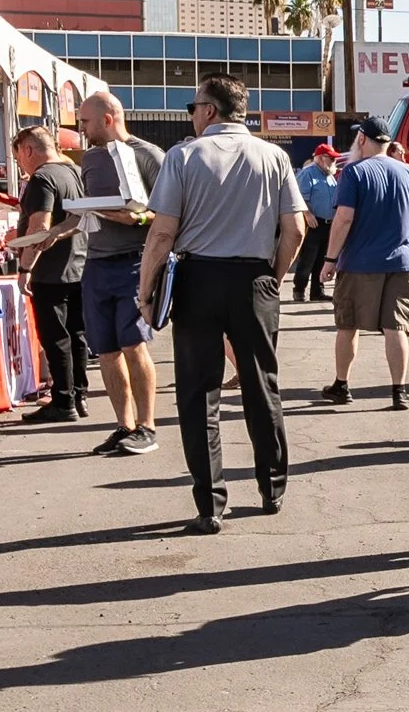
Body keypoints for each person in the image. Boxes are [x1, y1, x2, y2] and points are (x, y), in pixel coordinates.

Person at [139, 74, 306, 533]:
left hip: (198, 278)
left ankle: (210, 503)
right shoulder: (274, 156)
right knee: (261, 387)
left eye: (193, 107)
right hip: (253, 277)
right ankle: (272, 488)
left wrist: (146, 289)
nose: (191, 116)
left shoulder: (184, 157)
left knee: (199, 394)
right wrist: (273, 276)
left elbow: (162, 233)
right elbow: (296, 229)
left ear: (209, 110)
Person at [76, 92, 164, 459]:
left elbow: (170, 213)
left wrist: (139, 218)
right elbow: (87, 209)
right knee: (107, 351)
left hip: (134, 262)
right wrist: (53, 232)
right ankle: (123, 425)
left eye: (85, 122)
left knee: (133, 345)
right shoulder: (91, 160)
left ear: (108, 119)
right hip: (95, 263)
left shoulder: (148, 155)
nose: (81, 129)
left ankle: (147, 427)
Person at [320, 117, 409, 409]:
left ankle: (342, 385)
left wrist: (329, 259)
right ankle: (399, 391)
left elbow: (344, 219)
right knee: (397, 327)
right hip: (400, 262)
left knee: (348, 324)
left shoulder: (353, 172)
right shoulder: (406, 171)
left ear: (362, 139)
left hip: (359, 261)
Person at [9, 127, 90, 423]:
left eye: (19, 156)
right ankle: (79, 395)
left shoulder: (42, 179)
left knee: (56, 337)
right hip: (79, 264)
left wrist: (25, 268)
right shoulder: (75, 172)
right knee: (77, 334)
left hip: (51, 270)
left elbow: (39, 229)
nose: (20, 162)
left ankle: (63, 400)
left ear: (28, 150)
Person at [294, 143, 339, 303]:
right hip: (313, 223)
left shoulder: (330, 176)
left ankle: (317, 291)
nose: (334, 161)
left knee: (322, 259)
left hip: (328, 224)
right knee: (308, 259)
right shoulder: (308, 174)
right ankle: (299, 290)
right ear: (320, 158)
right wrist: (307, 214)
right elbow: (298, 197)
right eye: (331, 158)